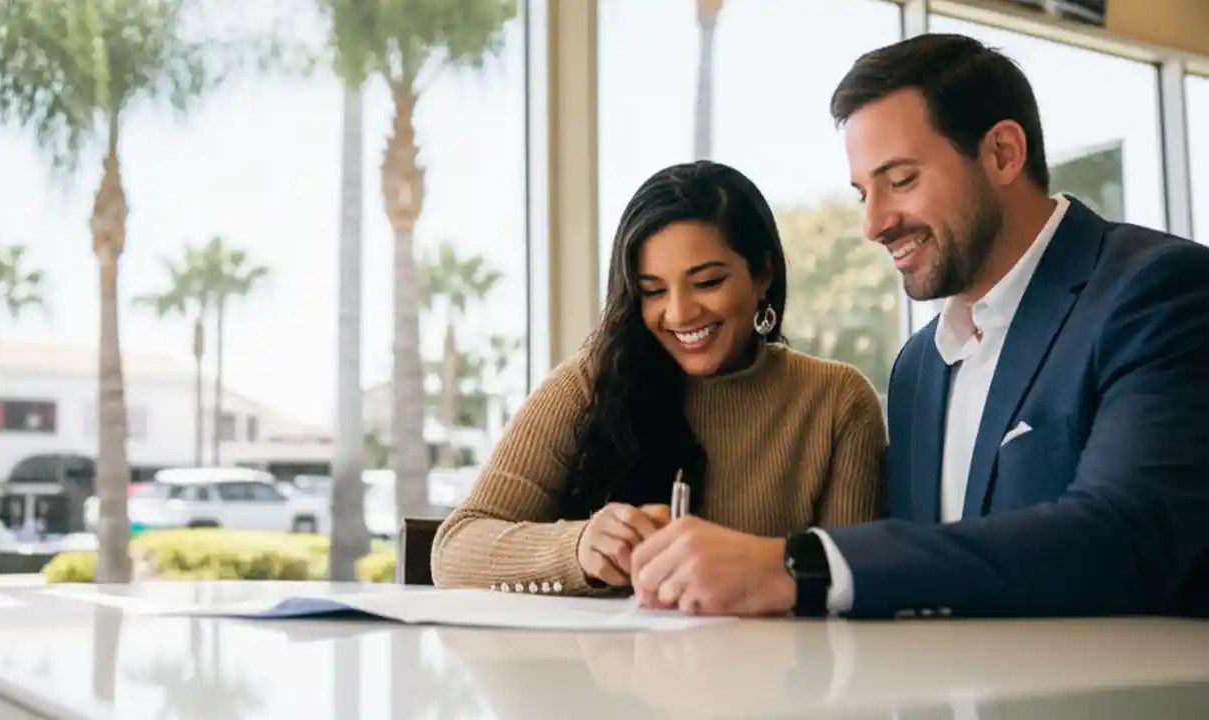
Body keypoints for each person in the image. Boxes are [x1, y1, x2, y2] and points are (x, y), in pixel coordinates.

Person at [630, 33, 1209, 618]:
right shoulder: (917, 368)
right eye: (863, 193)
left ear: (1003, 153)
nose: (874, 224)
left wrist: (800, 566)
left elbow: (1125, 539)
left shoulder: (1159, 292)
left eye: (901, 181)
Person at [431, 160, 887, 595]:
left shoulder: (837, 402)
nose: (679, 313)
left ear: (763, 273)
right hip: (599, 673)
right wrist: (578, 549)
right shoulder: (591, 383)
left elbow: (849, 587)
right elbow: (454, 551)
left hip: (769, 673)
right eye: (652, 291)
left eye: (708, 282)